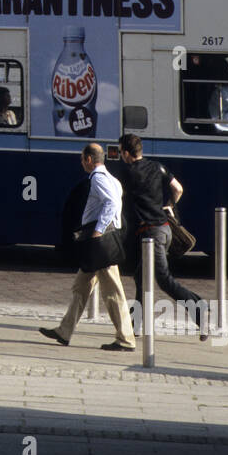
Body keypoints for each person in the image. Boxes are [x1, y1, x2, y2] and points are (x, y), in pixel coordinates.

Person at [40, 143, 137, 351]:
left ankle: (126, 339)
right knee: (81, 287)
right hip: (102, 241)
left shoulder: (99, 179)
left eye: (82, 158)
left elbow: (111, 203)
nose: (81, 162)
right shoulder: (112, 179)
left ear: (90, 160)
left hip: (100, 243)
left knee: (112, 292)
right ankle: (64, 331)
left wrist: (99, 231)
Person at [118, 133, 208, 340]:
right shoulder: (158, 167)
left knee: (163, 279)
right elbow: (178, 188)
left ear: (125, 153)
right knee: (141, 278)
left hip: (151, 234)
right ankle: (134, 326)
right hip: (165, 228)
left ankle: (197, 308)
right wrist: (169, 205)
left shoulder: (127, 173)